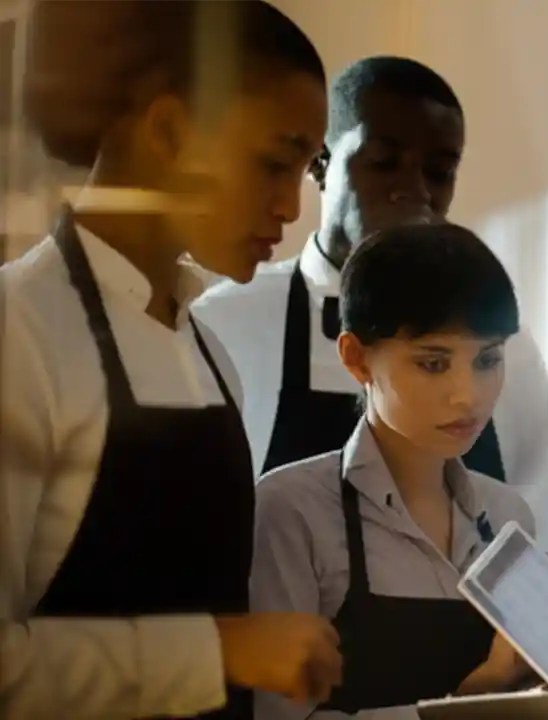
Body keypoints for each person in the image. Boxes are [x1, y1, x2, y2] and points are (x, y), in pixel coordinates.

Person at [0, 2, 342, 717]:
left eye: (307, 170)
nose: (291, 205)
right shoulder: (17, 332)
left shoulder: (208, 351)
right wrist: (217, 651)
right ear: (168, 131)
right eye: (273, 163)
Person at [193, 56, 548, 555]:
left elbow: (537, 544)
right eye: (383, 162)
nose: (413, 191)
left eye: (439, 171)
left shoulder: (507, 349)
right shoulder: (225, 325)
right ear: (320, 164)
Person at [250, 223, 538, 719]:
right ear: (356, 358)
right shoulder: (290, 511)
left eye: (488, 359)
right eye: (433, 363)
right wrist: (473, 701)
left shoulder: (509, 516)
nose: (468, 395)